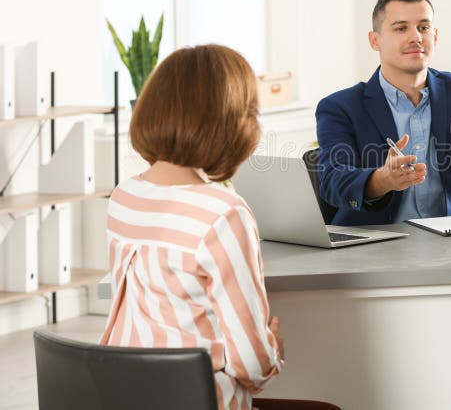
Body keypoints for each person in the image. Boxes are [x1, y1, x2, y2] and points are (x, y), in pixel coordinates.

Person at [100, 44, 339, 410]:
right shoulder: (224, 214)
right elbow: (252, 367)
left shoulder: (124, 197)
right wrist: (273, 347)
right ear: (230, 122)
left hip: (122, 396)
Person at [315, 0, 451, 225]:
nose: (415, 37)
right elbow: (332, 181)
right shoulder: (340, 107)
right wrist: (382, 179)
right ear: (375, 41)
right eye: (401, 28)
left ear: (435, 36)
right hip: (374, 249)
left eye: (423, 27)